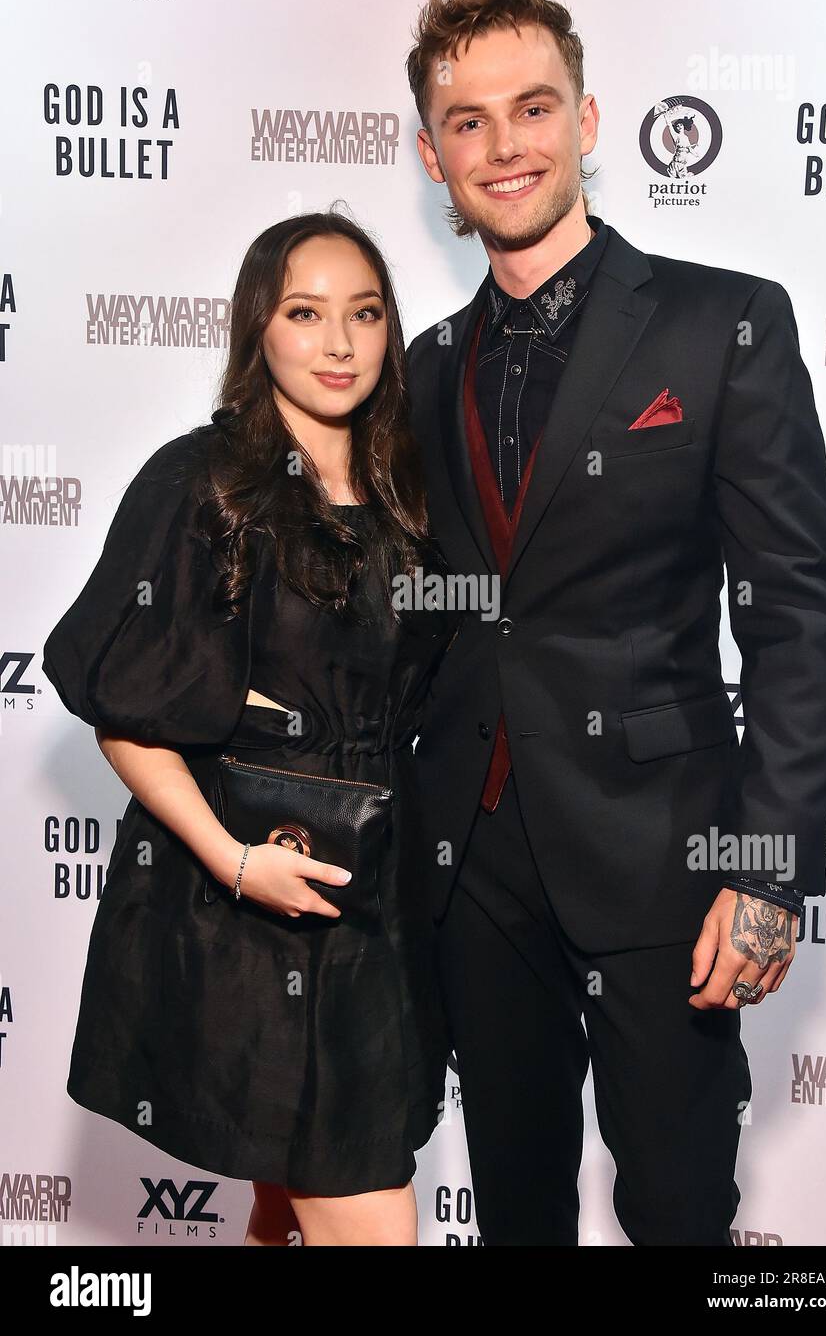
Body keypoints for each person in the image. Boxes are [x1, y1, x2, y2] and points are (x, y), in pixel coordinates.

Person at [403, 0, 826, 1245]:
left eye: (533, 108)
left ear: (588, 117)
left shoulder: (722, 322)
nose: (506, 146)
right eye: (469, 122)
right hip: (477, 868)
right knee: (516, 1213)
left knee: (675, 1211)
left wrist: (764, 865)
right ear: (433, 153)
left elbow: (795, 617)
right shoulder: (424, 367)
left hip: (669, 862)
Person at [42, 209, 453, 1247]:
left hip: (374, 896)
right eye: (305, 313)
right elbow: (125, 714)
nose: (339, 343)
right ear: (256, 330)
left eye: (364, 314)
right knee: (360, 1207)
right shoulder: (203, 483)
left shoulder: (408, 487)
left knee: (284, 1199)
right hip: (252, 900)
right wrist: (234, 861)